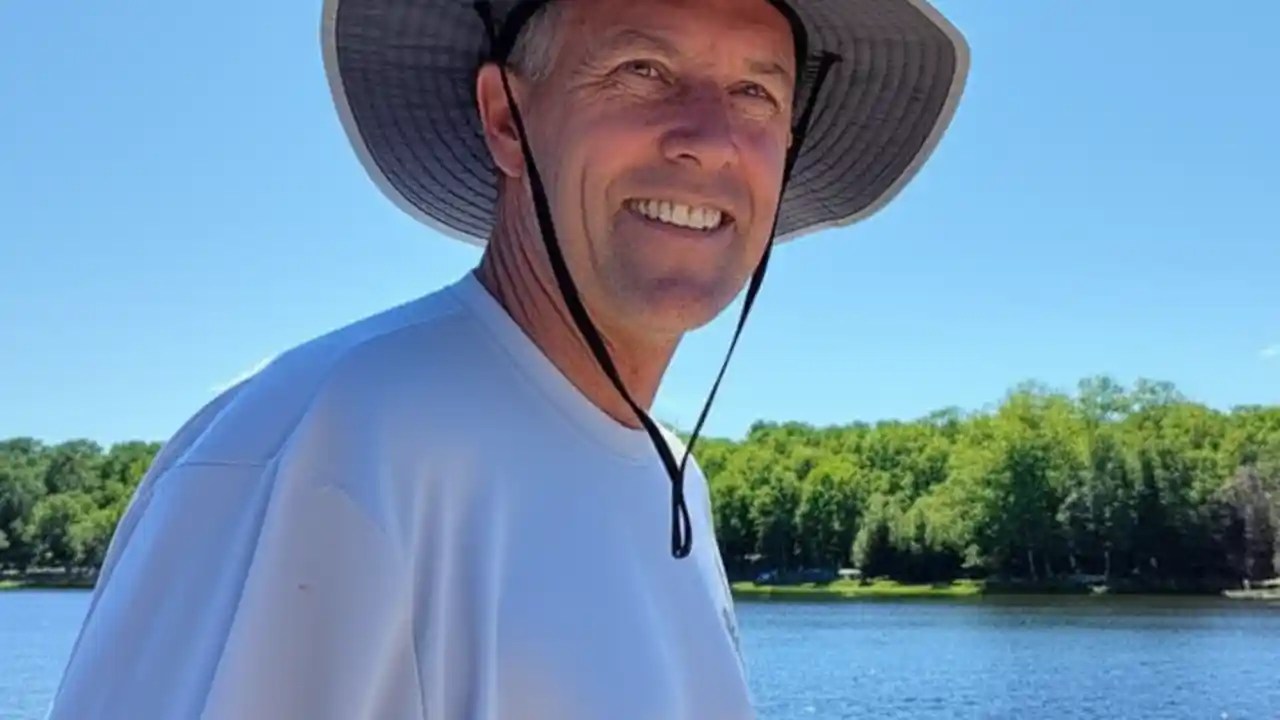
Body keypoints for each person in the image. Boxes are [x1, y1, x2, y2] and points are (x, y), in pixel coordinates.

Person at [46, 0, 968, 716]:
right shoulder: (324, 444)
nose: (709, 137)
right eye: (643, 69)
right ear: (505, 117)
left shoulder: (675, 482)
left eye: (756, 92)